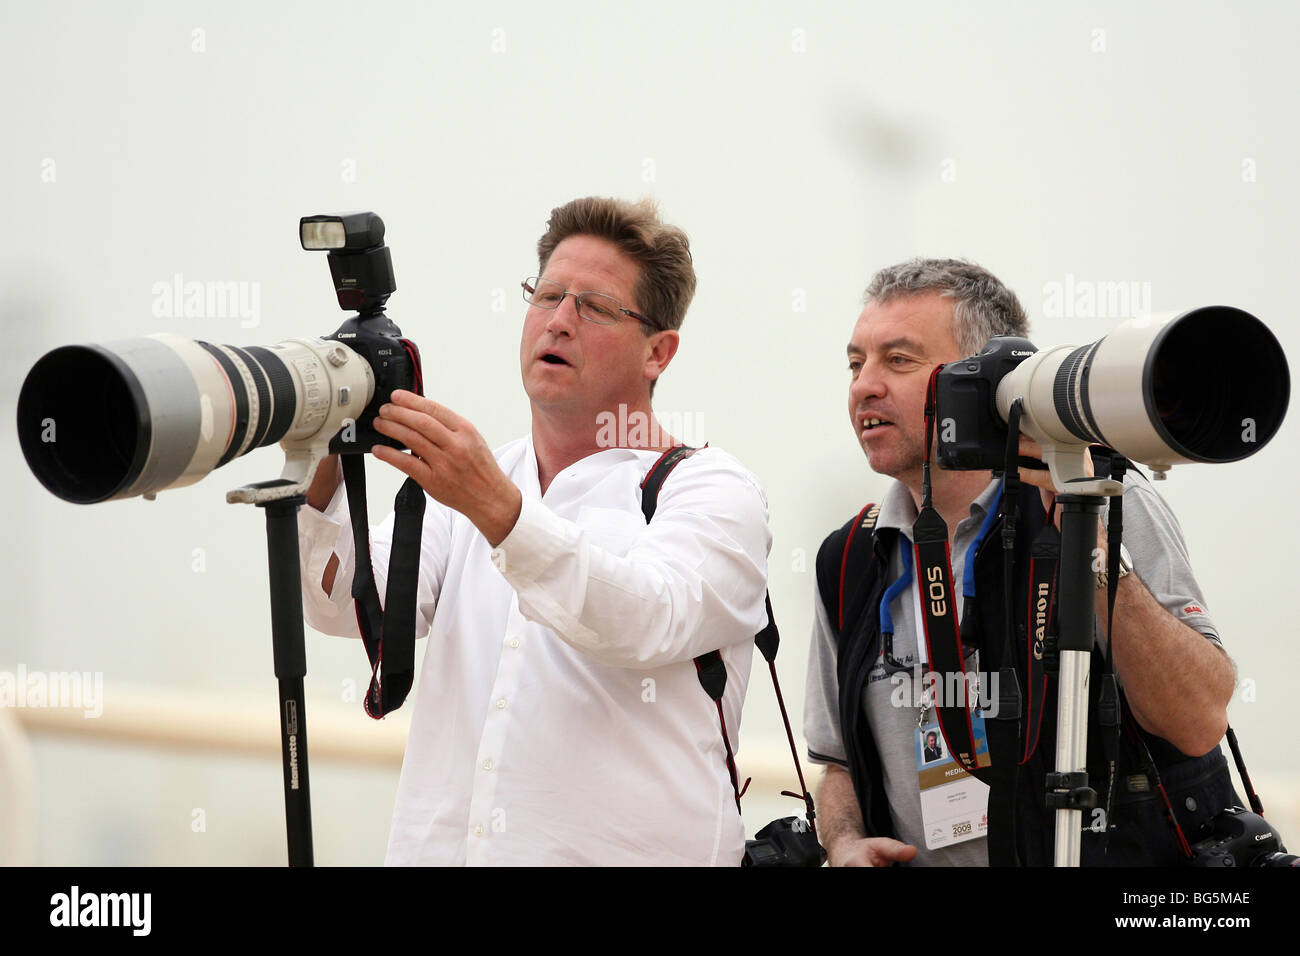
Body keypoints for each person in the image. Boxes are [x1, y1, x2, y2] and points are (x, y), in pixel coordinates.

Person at [298, 197, 770, 866]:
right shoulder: (474, 478)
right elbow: (339, 602)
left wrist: (496, 508)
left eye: (596, 307)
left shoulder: (711, 490)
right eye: (547, 295)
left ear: (658, 352)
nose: (559, 321)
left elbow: (645, 619)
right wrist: (325, 445)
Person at [803, 258, 1237, 866]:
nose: (864, 386)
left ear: (983, 382)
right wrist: (845, 843)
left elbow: (1196, 719)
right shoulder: (849, 558)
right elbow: (838, 763)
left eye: (898, 360)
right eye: (856, 363)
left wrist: (1089, 550)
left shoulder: (1105, 500)